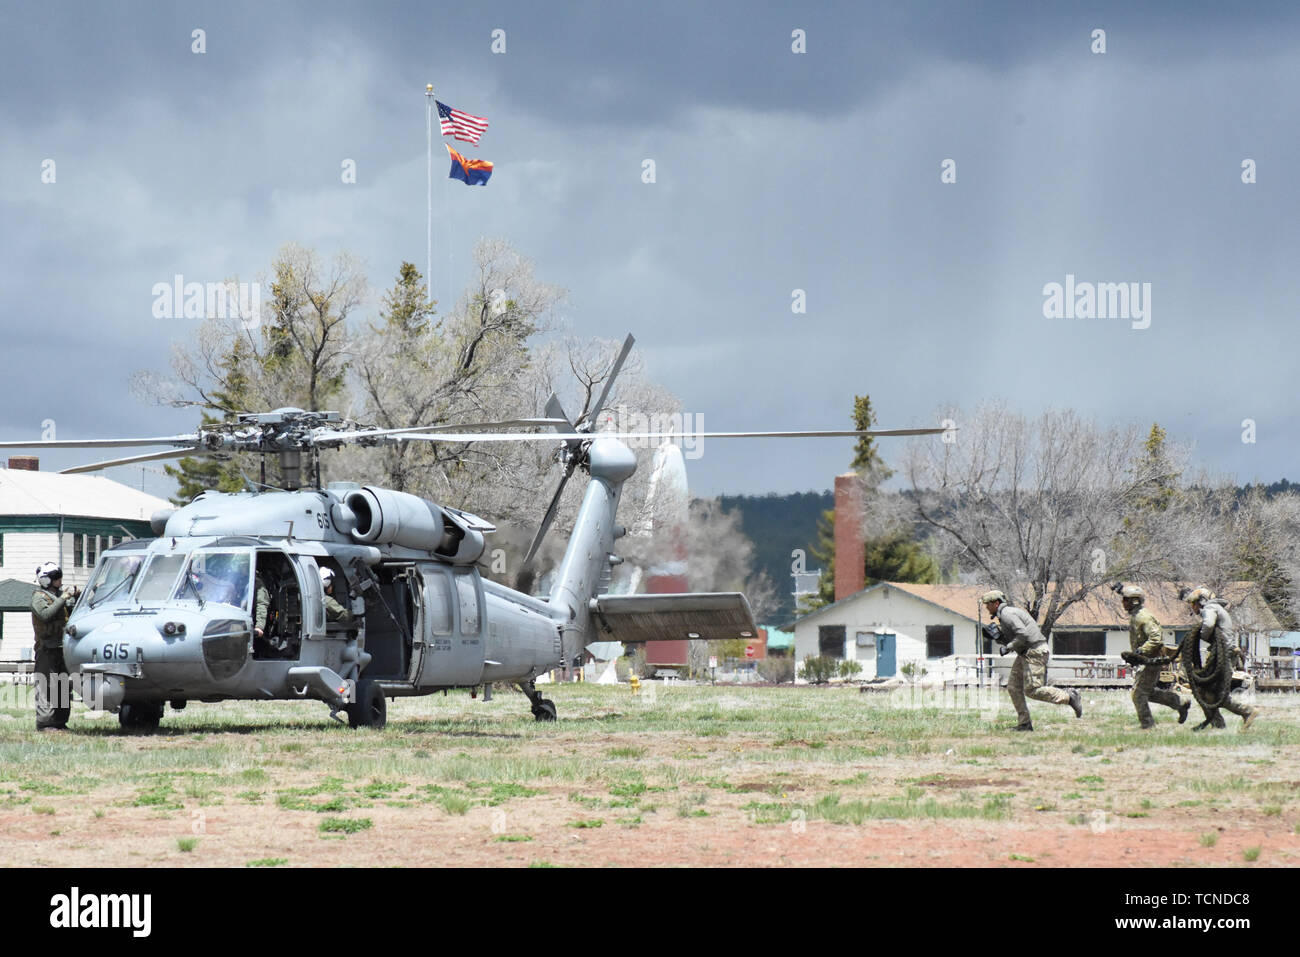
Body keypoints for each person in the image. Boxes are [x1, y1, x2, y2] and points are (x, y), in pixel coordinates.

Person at [982, 590, 1082, 731]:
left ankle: (1070, 697)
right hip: (1026, 653)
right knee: (1013, 687)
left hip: (1035, 652)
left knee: (1032, 690)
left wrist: (1008, 647)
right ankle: (1024, 724)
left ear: (996, 603)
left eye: (988, 604)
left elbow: (1022, 634)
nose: (986, 607)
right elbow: (1018, 637)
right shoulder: (1005, 615)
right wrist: (999, 638)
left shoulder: (1007, 614)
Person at [1181, 587, 1258, 731]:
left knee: (1213, 693)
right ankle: (1218, 724)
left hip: (1222, 654)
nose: (1193, 607)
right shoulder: (1217, 608)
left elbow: (1208, 625)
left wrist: (1203, 635)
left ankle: (1247, 712)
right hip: (1224, 653)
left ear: (1201, 601)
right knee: (1207, 693)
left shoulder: (1209, 608)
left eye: (1194, 603)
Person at [1118, 585, 1190, 729]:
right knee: (1148, 693)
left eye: (1126, 599)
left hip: (1151, 660)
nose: (1123, 602)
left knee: (1138, 694)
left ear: (1135, 601)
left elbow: (1156, 639)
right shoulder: (1136, 615)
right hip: (1146, 660)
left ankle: (1148, 725)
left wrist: (1140, 652)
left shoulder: (1143, 617)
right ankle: (1180, 703)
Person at [31, 562, 78, 731]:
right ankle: (45, 722)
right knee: (45, 686)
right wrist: (63, 599)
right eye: (56, 578)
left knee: (63, 686)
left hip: (61, 648)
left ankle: (60, 721)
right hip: (46, 649)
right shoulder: (39, 597)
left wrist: (75, 598)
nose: (60, 580)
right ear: (46, 580)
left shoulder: (58, 595)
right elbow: (45, 614)